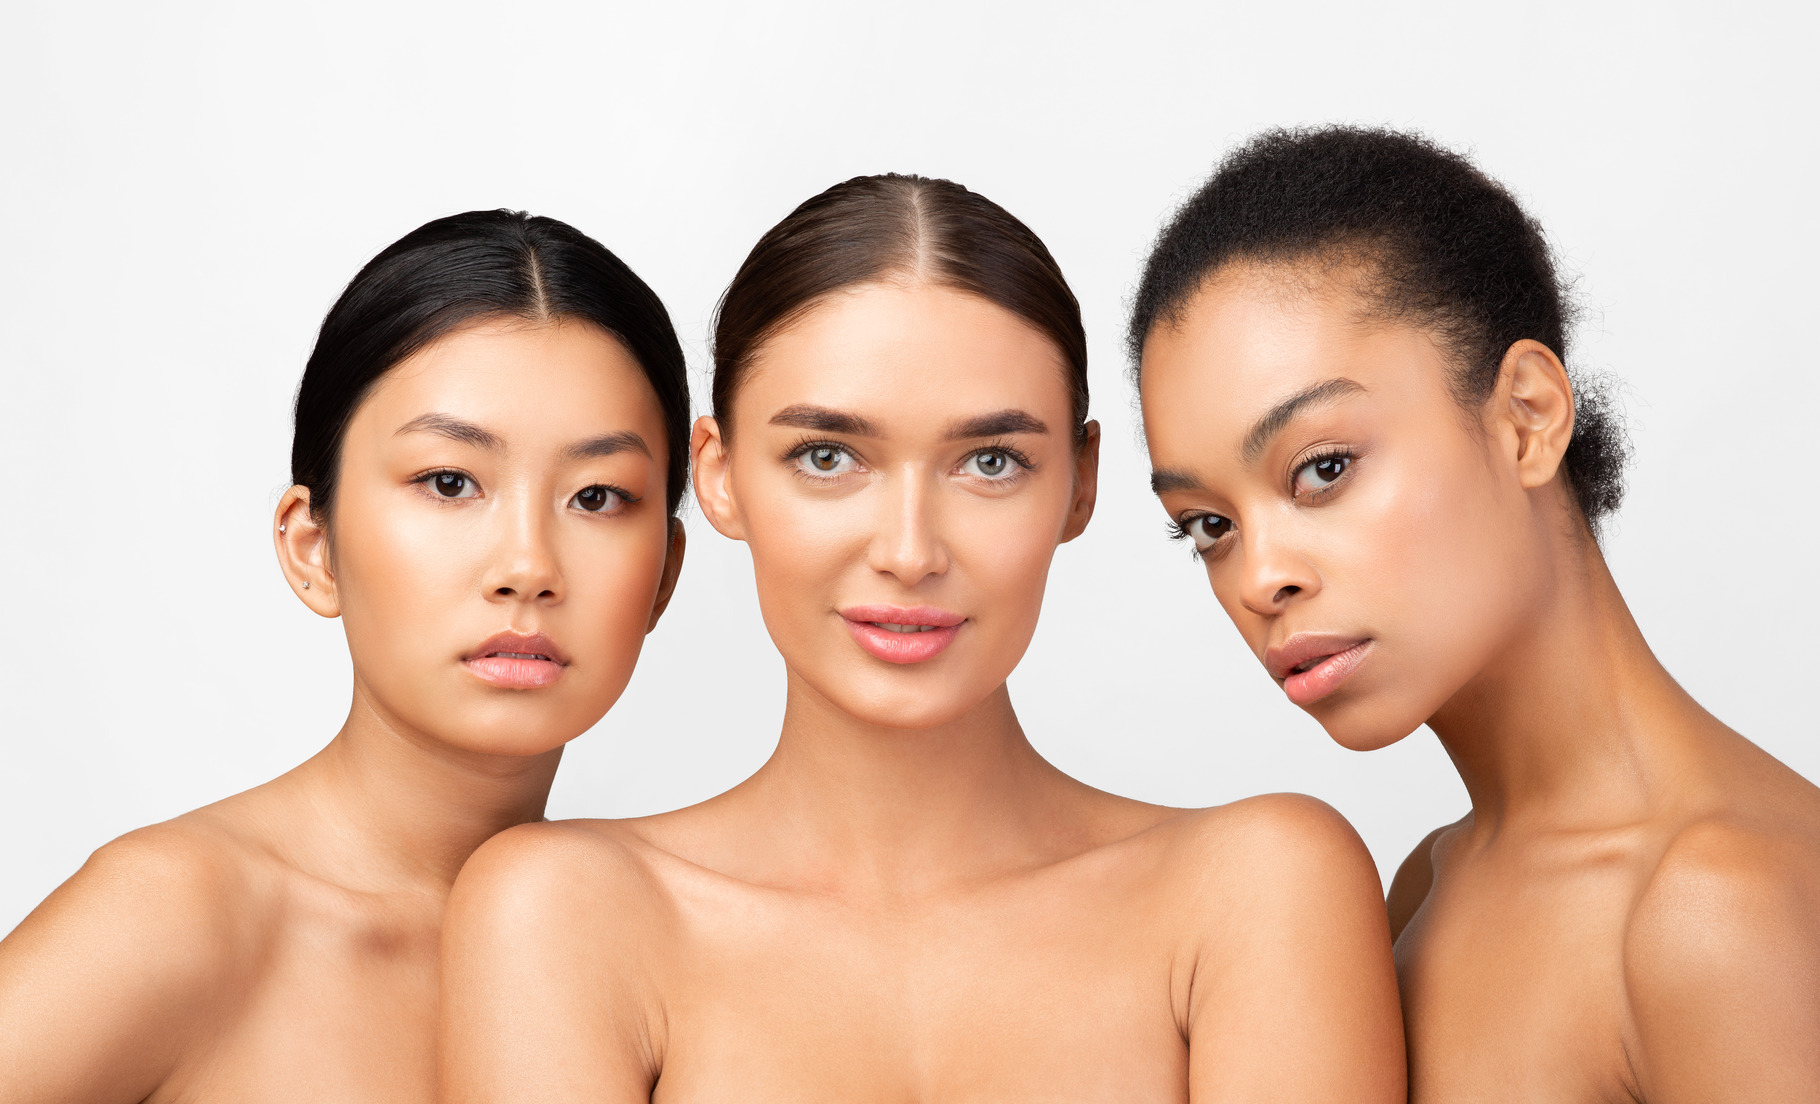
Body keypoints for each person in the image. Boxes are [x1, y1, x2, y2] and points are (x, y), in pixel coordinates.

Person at [440, 173, 1404, 1103]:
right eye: (828, 458)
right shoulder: (559, 916)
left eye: (990, 462)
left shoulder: (1259, 893)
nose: (908, 552)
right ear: (722, 474)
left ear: (1079, 482)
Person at [1131, 126, 1820, 1100]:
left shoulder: (1713, 909)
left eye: (1321, 469)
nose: (1259, 577)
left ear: (1525, 418)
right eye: (1206, 524)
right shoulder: (1427, 888)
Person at [0, 210, 689, 1103]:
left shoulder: (669, 949)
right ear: (311, 545)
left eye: (596, 496)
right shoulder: (174, 913)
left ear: (664, 575)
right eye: (449, 482)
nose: (528, 566)